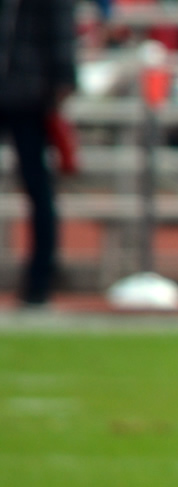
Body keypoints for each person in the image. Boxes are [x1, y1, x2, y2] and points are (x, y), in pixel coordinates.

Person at [0, 0, 74, 310]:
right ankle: (39, 285)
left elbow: (60, 31)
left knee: (38, 188)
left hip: (29, 93)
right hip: (27, 88)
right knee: (38, 189)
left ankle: (40, 283)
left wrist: (61, 81)